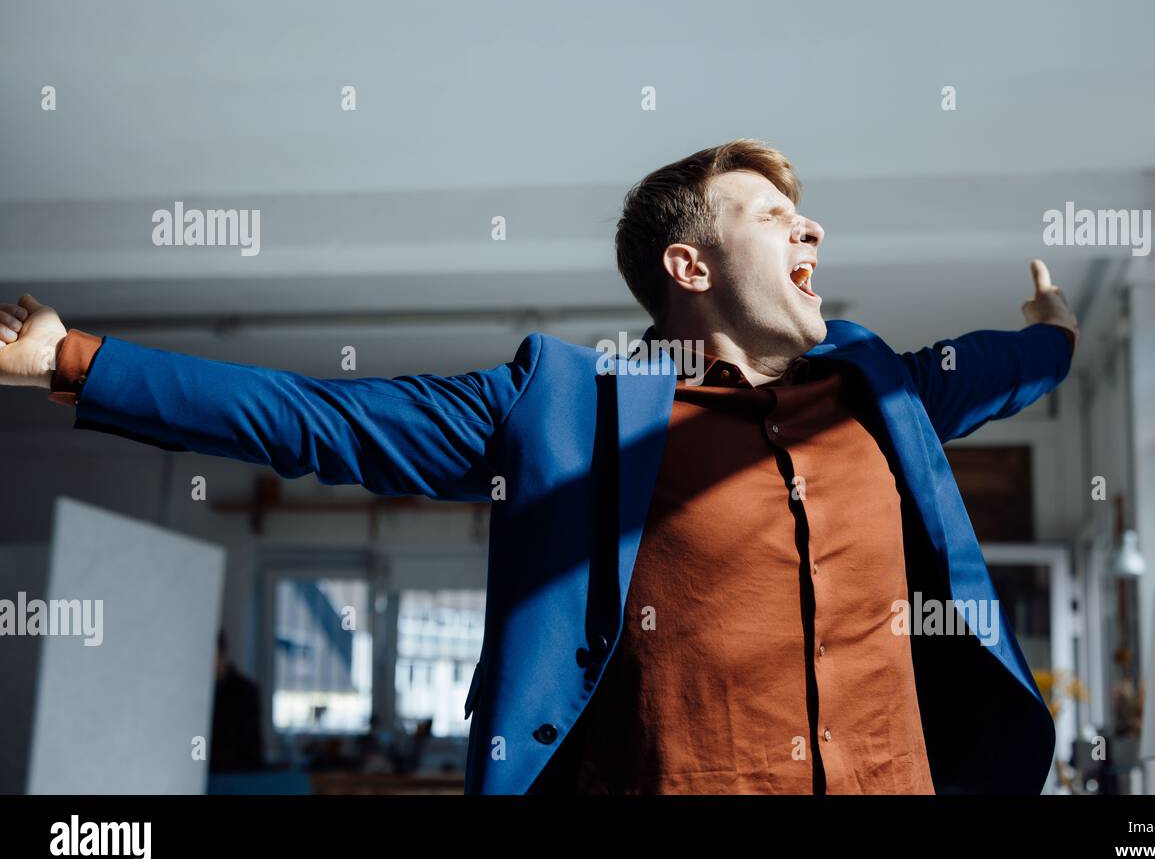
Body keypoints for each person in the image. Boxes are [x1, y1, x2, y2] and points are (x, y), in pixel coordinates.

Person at [0, 139, 1077, 794]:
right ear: (689, 265)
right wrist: (69, 360)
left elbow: (992, 370)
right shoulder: (557, 408)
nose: (813, 228)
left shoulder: (877, 389)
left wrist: (1055, 337)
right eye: (773, 216)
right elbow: (314, 417)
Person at [211, 629, 265, 773]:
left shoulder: (244, 692)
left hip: (236, 777)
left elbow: (251, 749)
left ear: (219, 652)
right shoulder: (197, 693)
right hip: (206, 777)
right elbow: (197, 743)